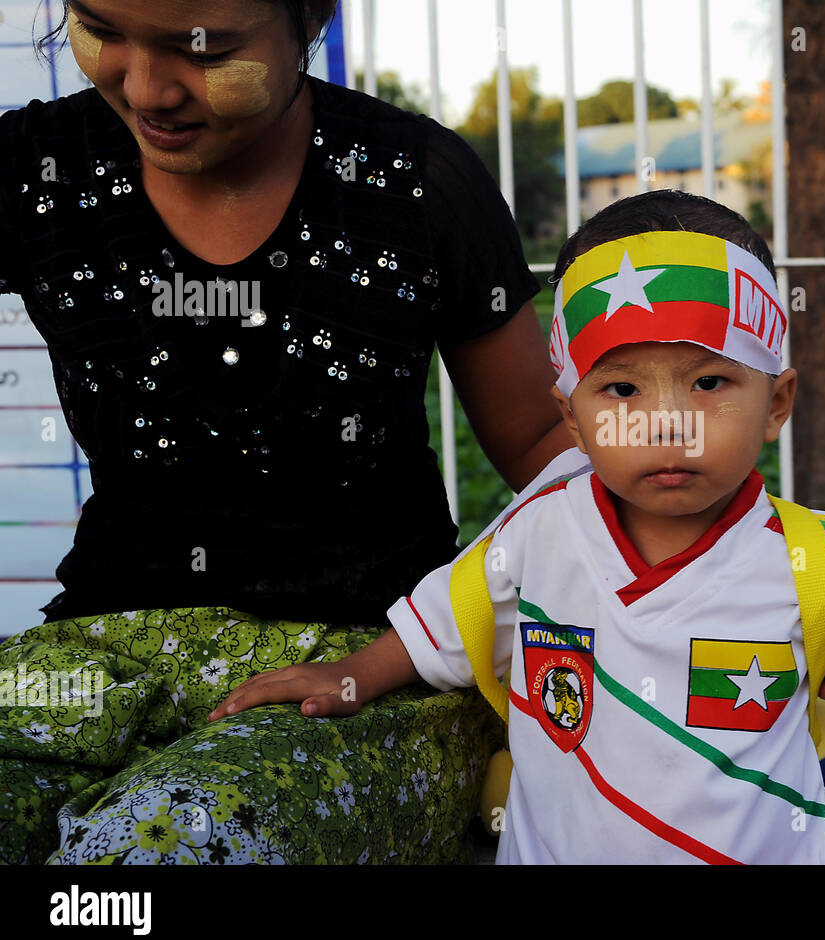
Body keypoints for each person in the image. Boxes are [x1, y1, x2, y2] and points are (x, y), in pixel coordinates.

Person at [213, 191, 825, 865]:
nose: (666, 425)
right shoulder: (535, 533)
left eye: (707, 384)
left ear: (778, 401)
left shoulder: (819, 561)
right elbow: (438, 624)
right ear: (572, 417)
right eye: (621, 390)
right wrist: (350, 677)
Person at [0, 0, 573, 863]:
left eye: (205, 49)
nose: (147, 86)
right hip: (101, 658)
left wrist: (723, 575)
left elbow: (544, 450)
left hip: (367, 673)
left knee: (169, 846)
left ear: (311, 16)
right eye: (102, 30)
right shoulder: (35, 171)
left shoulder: (417, 182)